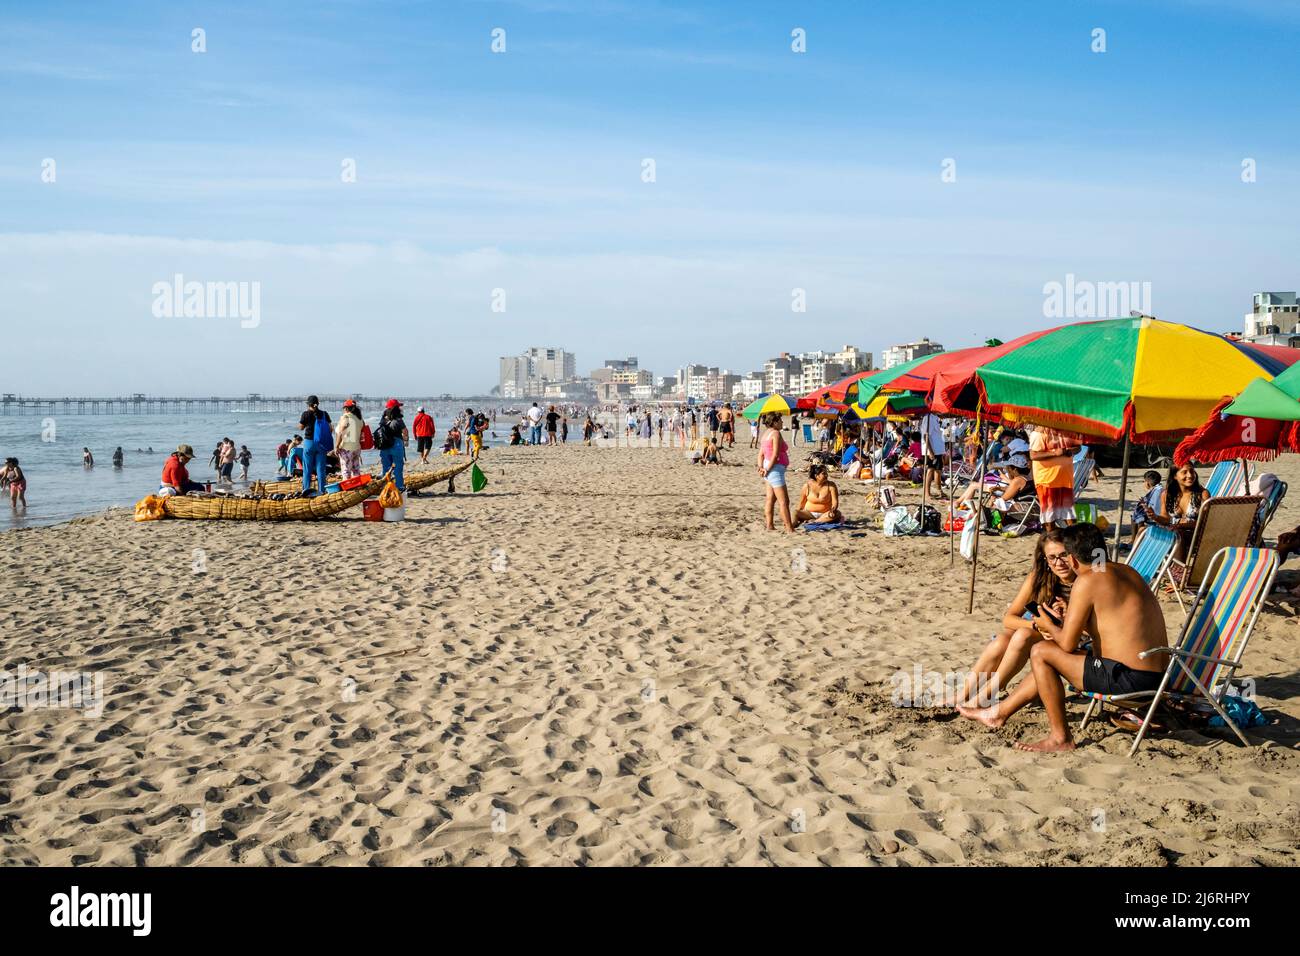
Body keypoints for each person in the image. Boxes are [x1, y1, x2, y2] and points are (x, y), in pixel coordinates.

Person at [959, 523, 1168, 752]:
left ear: (1073, 559)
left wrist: (1047, 623)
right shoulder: (1127, 571)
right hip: (1158, 678)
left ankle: (1060, 738)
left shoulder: (1087, 581)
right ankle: (997, 713)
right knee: (1051, 654)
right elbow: (1111, 624)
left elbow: (1067, 644)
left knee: (1042, 653)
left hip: (1129, 682)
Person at [952, 529, 1074, 707]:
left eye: (1064, 555)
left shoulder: (1084, 582)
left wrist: (1067, 615)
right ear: (1045, 560)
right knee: (1002, 640)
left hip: (1071, 640)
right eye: (1052, 557)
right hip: (1044, 633)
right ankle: (963, 695)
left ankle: (988, 694)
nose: (1059, 562)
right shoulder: (1039, 578)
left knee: (1022, 635)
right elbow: (1008, 619)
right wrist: (1037, 625)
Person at [1145, 464, 1209, 560]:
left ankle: (1178, 570)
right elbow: (1165, 519)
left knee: (1178, 533)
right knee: (1143, 531)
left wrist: (1180, 526)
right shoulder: (1167, 494)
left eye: (1192, 471)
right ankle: (1137, 570)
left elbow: (1206, 522)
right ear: (1175, 476)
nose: (1190, 475)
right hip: (1173, 531)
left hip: (1195, 535)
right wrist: (1154, 516)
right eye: (1184, 472)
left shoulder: (1202, 494)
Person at [1028, 425, 1078, 530]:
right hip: (1047, 480)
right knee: (1049, 516)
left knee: (1069, 514)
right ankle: (1052, 540)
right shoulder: (1039, 433)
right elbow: (1033, 456)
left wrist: (1070, 451)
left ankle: (1074, 540)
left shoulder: (1068, 431)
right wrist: (1055, 453)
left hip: (1065, 479)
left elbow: (1078, 447)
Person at [758, 413, 794, 532]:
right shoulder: (776, 433)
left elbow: (761, 455)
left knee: (771, 499)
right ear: (774, 422)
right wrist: (767, 469)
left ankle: (770, 525)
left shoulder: (765, 434)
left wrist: (761, 467)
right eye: (780, 421)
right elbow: (775, 455)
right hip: (774, 469)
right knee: (784, 501)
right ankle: (789, 528)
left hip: (768, 467)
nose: (782, 423)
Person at [298, 396, 332, 495]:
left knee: (307, 468)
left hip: (309, 443)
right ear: (318, 403)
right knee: (321, 469)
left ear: (308, 404)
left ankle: (306, 491)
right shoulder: (324, 414)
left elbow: (301, 427)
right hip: (321, 443)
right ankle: (322, 491)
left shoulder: (305, 414)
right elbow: (330, 429)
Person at [377, 399, 409, 492]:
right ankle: (399, 487)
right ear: (396, 408)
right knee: (398, 467)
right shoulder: (398, 419)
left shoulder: (383, 418)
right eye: (398, 406)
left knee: (386, 467)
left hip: (384, 445)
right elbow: (405, 431)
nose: (400, 408)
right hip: (396, 444)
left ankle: (386, 487)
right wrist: (406, 439)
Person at [1129, 470, 1164, 548]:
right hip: (1157, 514)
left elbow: (1154, 506)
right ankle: (1135, 540)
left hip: (1157, 516)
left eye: (1144, 481)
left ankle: (1135, 540)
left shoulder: (1157, 491)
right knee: (1137, 513)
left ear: (1147, 482)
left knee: (1137, 515)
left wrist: (1144, 505)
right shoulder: (1159, 488)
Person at [334, 400, 365, 479]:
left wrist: (336, 446)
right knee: (356, 470)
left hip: (346, 448)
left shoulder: (346, 417)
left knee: (346, 471)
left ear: (346, 409)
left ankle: (348, 488)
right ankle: (357, 487)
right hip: (357, 448)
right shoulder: (360, 419)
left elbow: (340, 433)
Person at [920, 411, 946, 501]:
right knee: (930, 470)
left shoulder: (935, 418)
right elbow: (925, 436)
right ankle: (927, 493)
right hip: (931, 450)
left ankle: (939, 490)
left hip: (938, 449)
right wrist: (930, 451)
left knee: (938, 470)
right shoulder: (928, 418)